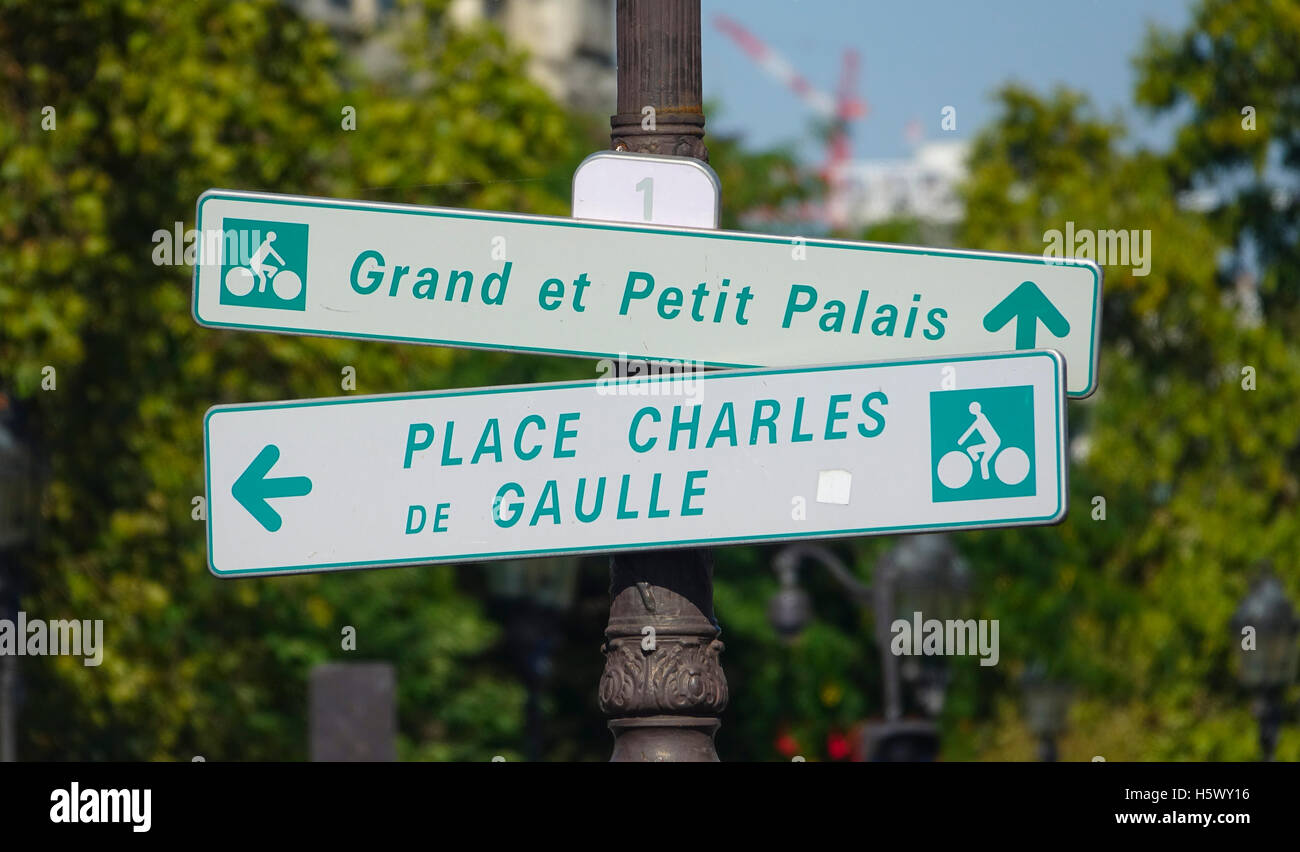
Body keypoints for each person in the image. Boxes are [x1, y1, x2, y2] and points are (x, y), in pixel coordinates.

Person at [957, 401, 1000, 481]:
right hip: (991, 443)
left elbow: (970, 430)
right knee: (979, 458)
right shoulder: (979, 419)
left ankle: (986, 480)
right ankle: (983, 473)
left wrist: (961, 441)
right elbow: (970, 430)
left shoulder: (981, 419)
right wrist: (961, 441)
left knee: (982, 461)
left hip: (994, 443)